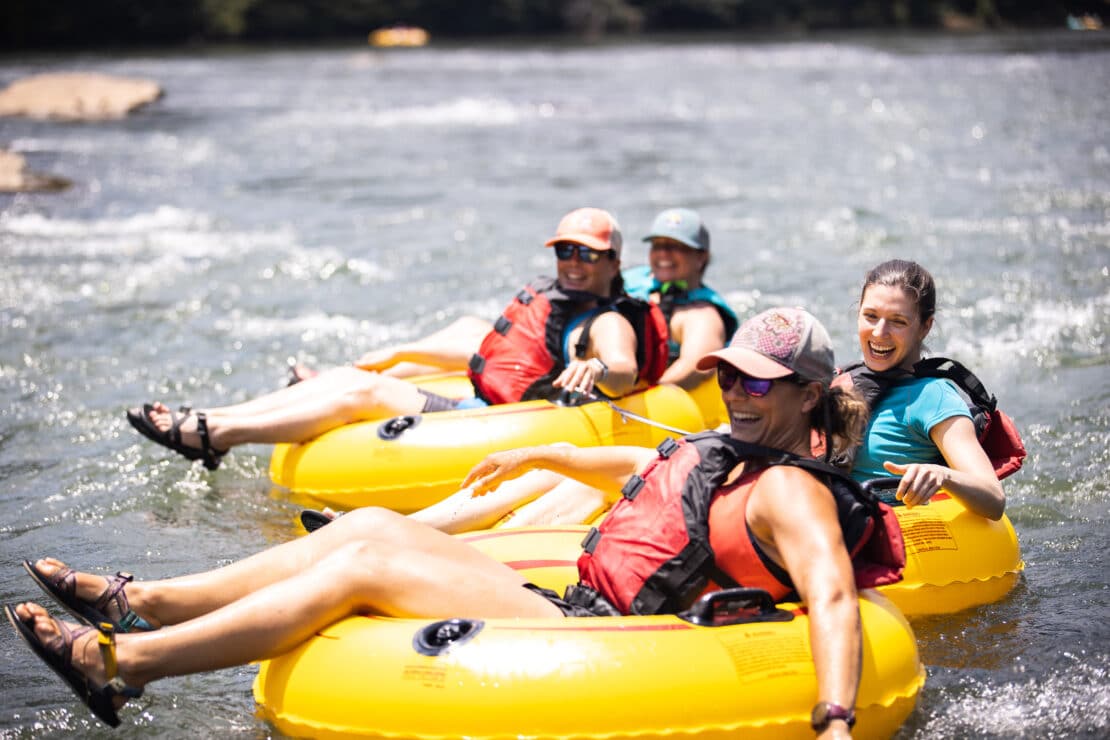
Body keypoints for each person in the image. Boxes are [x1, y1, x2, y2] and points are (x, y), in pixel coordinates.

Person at [10, 307, 890, 739]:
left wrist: (837, 718)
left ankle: (122, 665)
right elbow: (647, 470)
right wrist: (545, 457)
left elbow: (833, 598)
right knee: (367, 531)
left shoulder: (791, 490)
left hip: (623, 633)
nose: (735, 391)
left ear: (807, 395)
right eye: (729, 376)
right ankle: (149, 602)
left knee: (362, 571)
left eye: (757, 383)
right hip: (582, 598)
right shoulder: (731, 451)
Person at [126, 207, 667, 470]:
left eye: (586, 255)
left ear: (613, 262)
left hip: (497, 422)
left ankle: (213, 433)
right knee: (348, 378)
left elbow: (620, 365)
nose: (572, 264)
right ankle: (218, 419)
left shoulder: (607, 320)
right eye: (564, 252)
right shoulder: (561, 299)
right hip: (485, 401)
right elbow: (499, 352)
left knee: (361, 394)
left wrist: (598, 370)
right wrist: (405, 352)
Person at [293, 206, 737, 390]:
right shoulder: (638, 280)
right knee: (476, 333)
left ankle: (345, 381)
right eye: (659, 245)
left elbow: (696, 367)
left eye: (677, 248)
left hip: (611, 372)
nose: (664, 256)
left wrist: (646, 393)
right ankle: (341, 376)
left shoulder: (699, 313)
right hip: (572, 351)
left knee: (467, 344)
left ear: (702, 257)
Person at [839, 259, 1007, 520]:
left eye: (898, 321)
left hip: (888, 537)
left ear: (925, 327)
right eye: (870, 316)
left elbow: (994, 500)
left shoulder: (933, 397)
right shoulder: (844, 382)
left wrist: (943, 475)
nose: (879, 333)